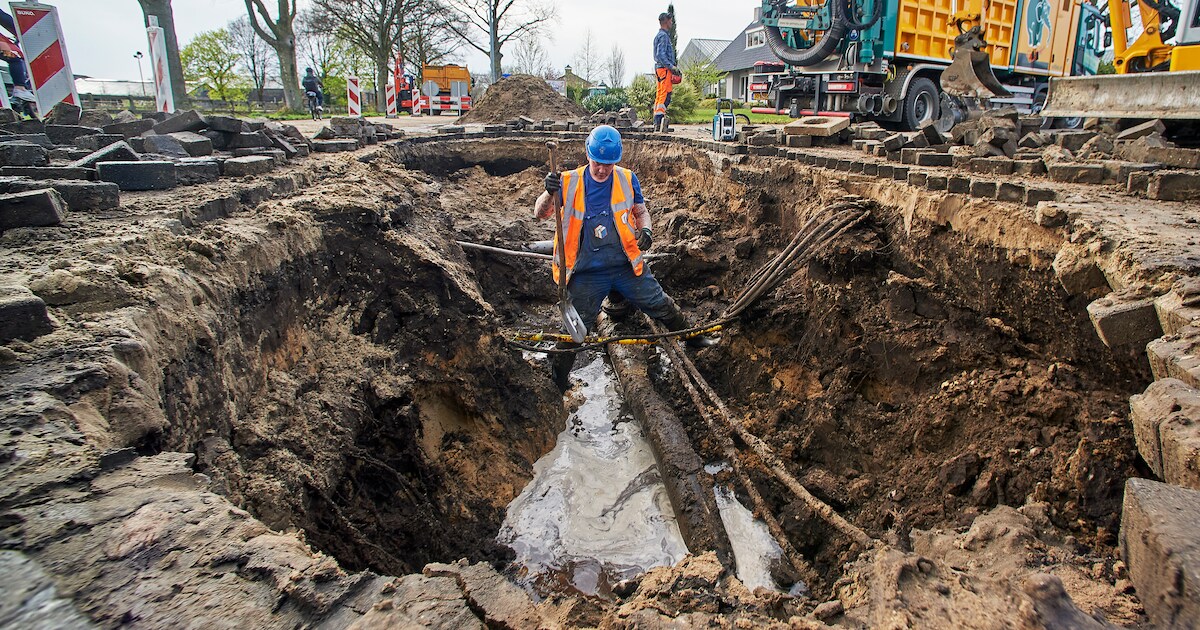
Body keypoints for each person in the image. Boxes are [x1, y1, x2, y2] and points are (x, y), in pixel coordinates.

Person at [535, 125, 715, 391]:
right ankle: (559, 380)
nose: (602, 170)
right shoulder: (567, 181)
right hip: (586, 272)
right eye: (598, 163)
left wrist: (646, 229)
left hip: (624, 265)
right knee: (574, 332)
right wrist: (549, 192)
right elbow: (541, 213)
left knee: (659, 302)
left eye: (608, 164)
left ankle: (691, 337)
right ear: (588, 154)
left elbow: (640, 211)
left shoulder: (627, 178)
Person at [652, 11, 678, 132]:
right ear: (666, 21)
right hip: (664, 69)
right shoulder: (663, 36)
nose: (672, 23)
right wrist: (671, 66)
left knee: (660, 95)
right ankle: (659, 122)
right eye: (671, 21)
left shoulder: (660, 35)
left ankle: (657, 122)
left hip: (660, 69)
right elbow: (660, 54)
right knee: (664, 96)